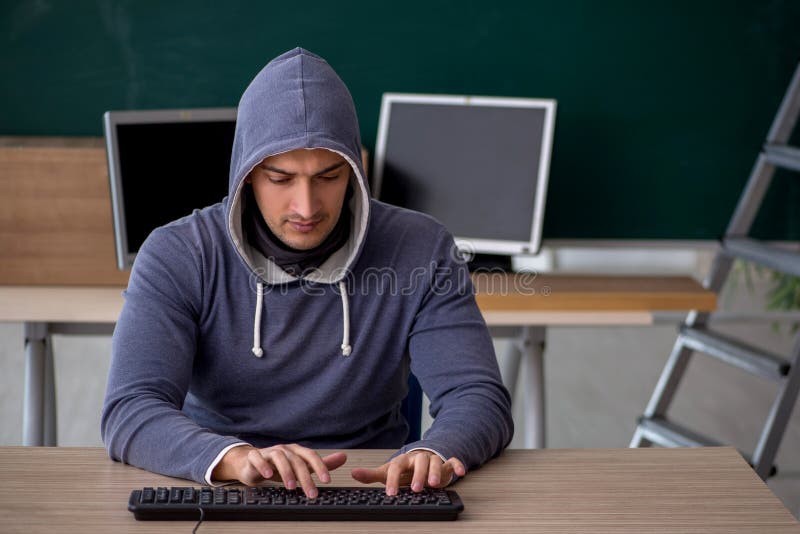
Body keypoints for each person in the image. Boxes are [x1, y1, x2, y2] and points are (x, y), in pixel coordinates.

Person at [101, 47, 513, 498]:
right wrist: (234, 458)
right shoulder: (177, 253)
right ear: (247, 174)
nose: (306, 207)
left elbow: (477, 396)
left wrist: (437, 451)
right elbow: (131, 408)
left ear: (355, 169)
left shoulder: (423, 249)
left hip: (377, 492)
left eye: (329, 176)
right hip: (225, 487)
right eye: (281, 179)